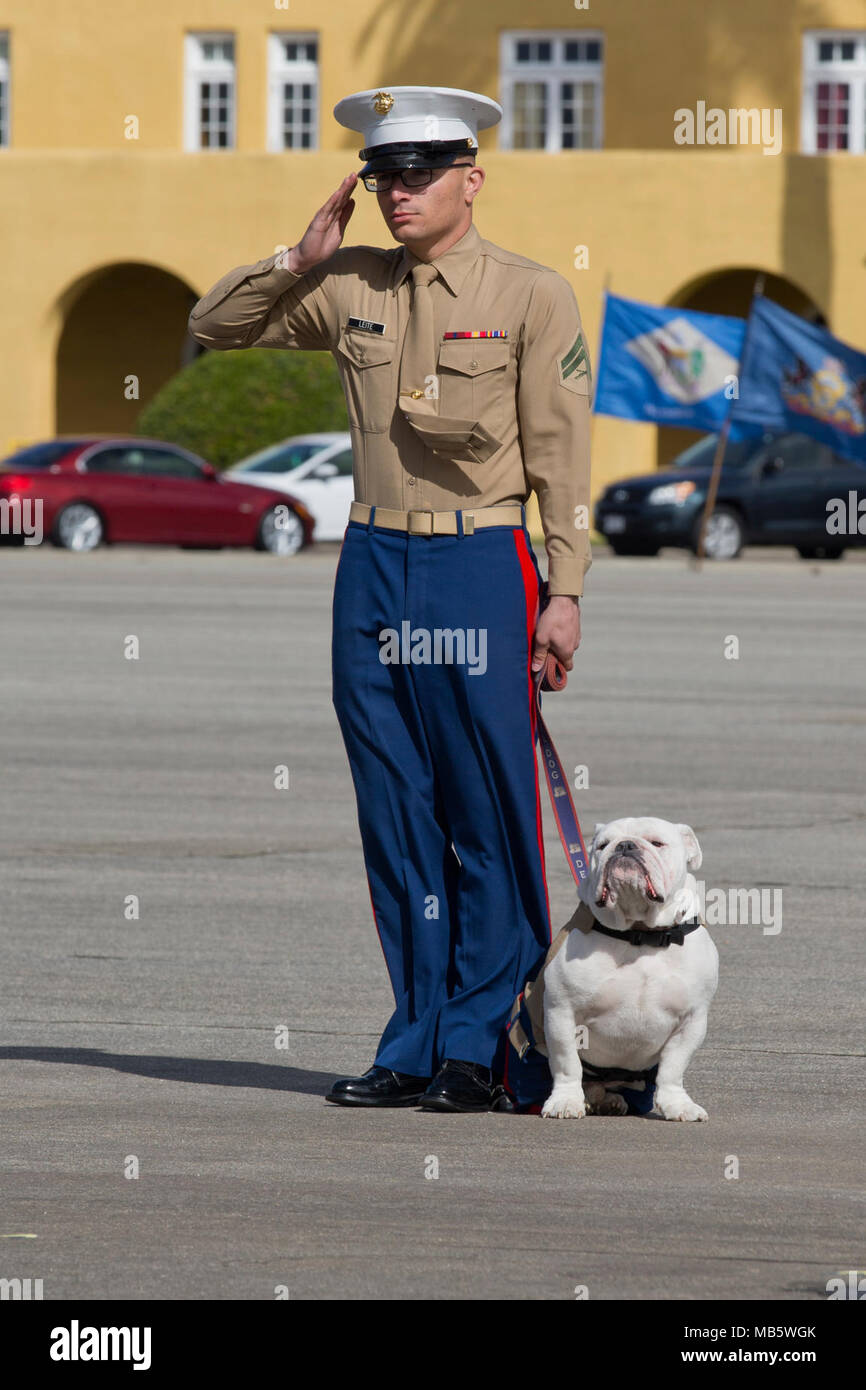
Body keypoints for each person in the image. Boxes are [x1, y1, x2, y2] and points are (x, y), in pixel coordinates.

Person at [188, 86, 592, 1113]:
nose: (395, 193)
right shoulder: (350, 284)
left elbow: (560, 455)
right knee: (395, 811)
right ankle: (413, 1036)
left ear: (470, 176)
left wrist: (564, 590)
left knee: (483, 809)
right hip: (370, 563)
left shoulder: (531, 294)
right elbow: (213, 325)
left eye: (416, 173)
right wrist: (298, 258)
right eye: (379, 176)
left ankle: (479, 1044)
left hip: (478, 563)